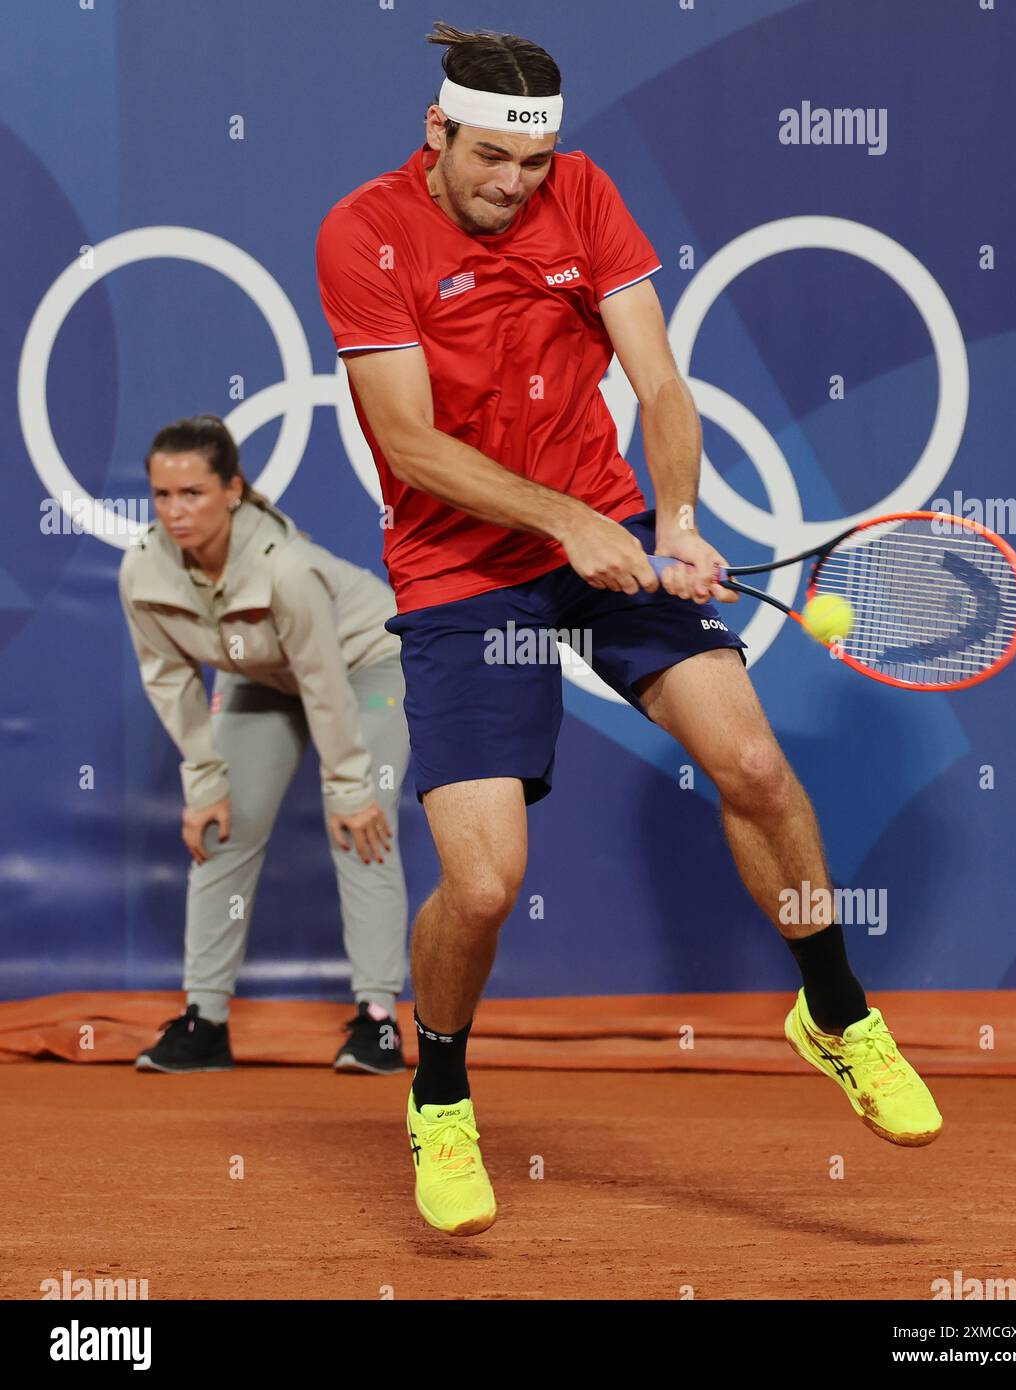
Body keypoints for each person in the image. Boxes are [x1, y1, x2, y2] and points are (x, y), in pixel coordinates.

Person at [316, 22, 942, 1237]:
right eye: (492, 158)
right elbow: (408, 444)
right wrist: (559, 521)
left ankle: (835, 1009)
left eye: (533, 165)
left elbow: (658, 382)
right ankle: (438, 1090)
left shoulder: (584, 193)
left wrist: (682, 516)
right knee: (487, 885)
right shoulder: (365, 231)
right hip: (462, 570)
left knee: (755, 762)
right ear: (436, 132)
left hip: (611, 532)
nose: (515, 185)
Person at [119, 414, 410, 1076]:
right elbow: (170, 681)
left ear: (233, 490)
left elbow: (323, 678)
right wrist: (204, 785)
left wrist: (346, 787)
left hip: (365, 665)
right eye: (162, 495)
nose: (175, 511)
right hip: (262, 674)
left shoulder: (287, 570)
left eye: (192, 493)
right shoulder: (143, 572)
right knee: (221, 827)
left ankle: (377, 1021)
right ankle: (205, 1021)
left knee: (361, 824)